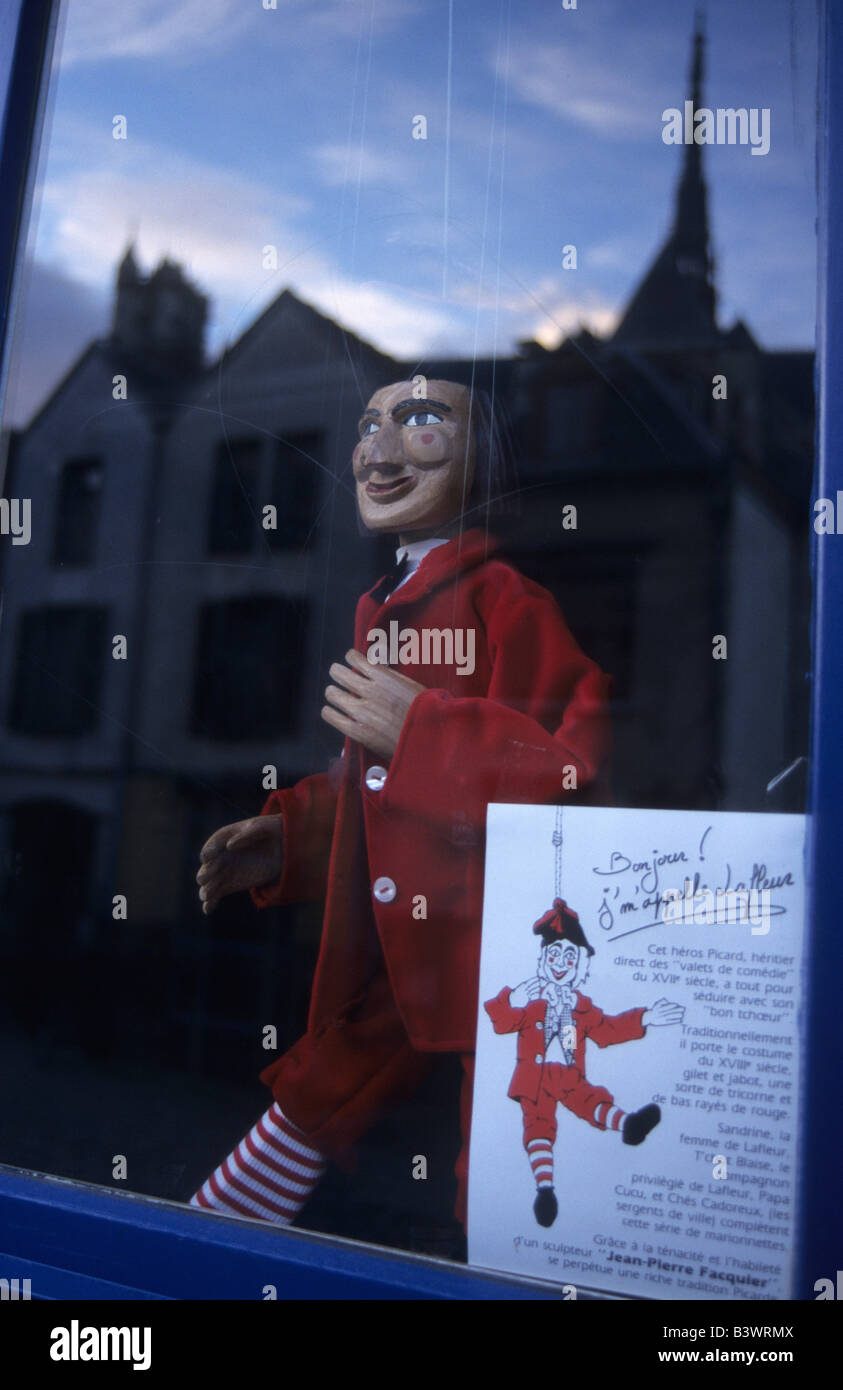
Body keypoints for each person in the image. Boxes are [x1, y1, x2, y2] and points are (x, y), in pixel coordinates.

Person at [191, 378, 613, 1235]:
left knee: (501, 1171)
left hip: (489, 949)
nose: (377, 450)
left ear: (485, 457)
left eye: (421, 420)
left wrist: (423, 731)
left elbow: (577, 771)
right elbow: (371, 785)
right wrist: (293, 837)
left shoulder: (504, 599)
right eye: (367, 425)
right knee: (351, 1092)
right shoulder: (383, 607)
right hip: (402, 947)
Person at [485, 899, 684, 1228]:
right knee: (538, 1126)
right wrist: (511, 996)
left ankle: (629, 1125)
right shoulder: (531, 1003)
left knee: (590, 1098)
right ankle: (545, 1190)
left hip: (568, 1074)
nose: (560, 962)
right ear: (543, 960)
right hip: (533, 1079)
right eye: (553, 954)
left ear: (581, 965)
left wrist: (646, 1017)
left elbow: (609, 1030)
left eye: (569, 956)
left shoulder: (581, 1008)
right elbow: (501, 1022)